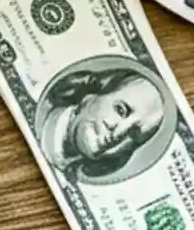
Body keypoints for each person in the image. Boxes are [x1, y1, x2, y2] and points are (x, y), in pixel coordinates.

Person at [37, 67, 168, 182]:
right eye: (120, 110)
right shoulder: (40, 120)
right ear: (90, 96)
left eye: (133, 134)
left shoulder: (70, 176)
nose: (119, 133)